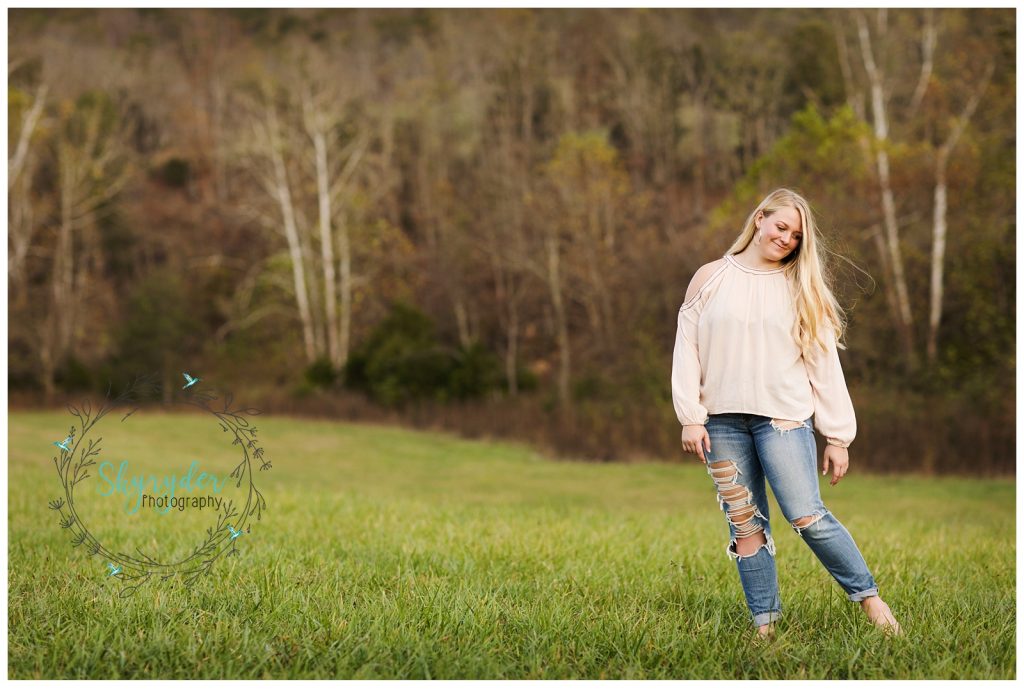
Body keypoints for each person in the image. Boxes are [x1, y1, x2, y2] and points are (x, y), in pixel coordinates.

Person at [670, 188, 902, 639]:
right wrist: (690, 415)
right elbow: (687, 349)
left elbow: (823, 362)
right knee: (745, 527)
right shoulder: (709, 278)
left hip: (784, 421)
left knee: (805, 514)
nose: (787, 239)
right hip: (720, 422)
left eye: (796, 236)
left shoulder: (800, 287)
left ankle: (871, 600)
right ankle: (765, 627)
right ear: (759, 219)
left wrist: (837, 436)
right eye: (781, 227)